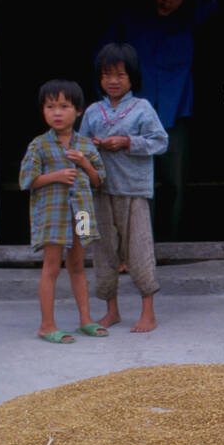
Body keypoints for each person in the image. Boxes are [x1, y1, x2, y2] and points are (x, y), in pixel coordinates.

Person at [99, 0, 215, 239]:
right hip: (133, 118)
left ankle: (172, 241)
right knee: (139, 183)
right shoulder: (129, 19)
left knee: (175, 183)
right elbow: (103, 59)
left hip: (176, 113)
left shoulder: (187, 20)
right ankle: (140, 243)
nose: (166, 1)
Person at [80, 43, 169, 333]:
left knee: (139, 249)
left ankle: (148, 313)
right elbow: (79, 145)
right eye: (107, 75)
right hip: (101, 190)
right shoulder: (93, 112)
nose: (113, 81)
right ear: (99, 78)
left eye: (120, 74)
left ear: (132, 78)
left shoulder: (142, 108)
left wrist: (128, 142)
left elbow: (160, 141)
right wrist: (90, 147)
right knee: (104, 252)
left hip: (133, 191)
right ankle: (112, 311)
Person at [19, 80, 108, 343]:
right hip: (53, 215)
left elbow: (98, 180)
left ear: (78, 111)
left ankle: (85, 320)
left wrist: (85, 164)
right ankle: (47, 325)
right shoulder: (39, 145)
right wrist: (55, 176)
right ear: (43, 111)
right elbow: (27, 180)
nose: (56, 112)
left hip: (80, 214)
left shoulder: (85, 145)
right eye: (50, 106)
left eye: (64, 106)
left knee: (78, 266)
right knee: (51, 268)